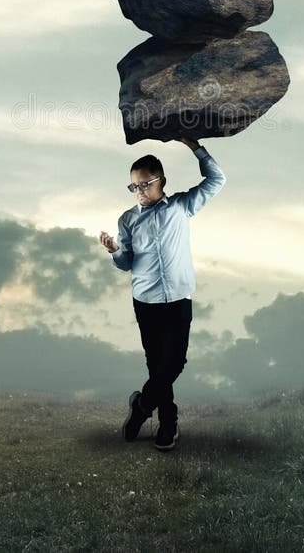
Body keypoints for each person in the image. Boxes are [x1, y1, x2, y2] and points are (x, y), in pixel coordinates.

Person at [98, 136, 226, 451]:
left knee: (175, 362)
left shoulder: (181, 206)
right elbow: (126, 263)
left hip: (179, 299)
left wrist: (192, 144)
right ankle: (168, 423)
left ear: (162, 181)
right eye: (134, 186)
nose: (139, 191)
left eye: (145, 184)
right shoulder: (128, 220)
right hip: (146, 302)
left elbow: (217, 179)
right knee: (157, 366)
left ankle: (142, 406)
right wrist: (115, 251)